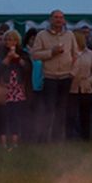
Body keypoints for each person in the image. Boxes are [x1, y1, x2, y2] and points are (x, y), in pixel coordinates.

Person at [30, 10, 78, 143]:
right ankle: (43, 137)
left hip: (65, 77)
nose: (58, 20)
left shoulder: (69, 35)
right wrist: (51, 52)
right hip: (50, 77)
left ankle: (57, 138)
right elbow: (35, 55)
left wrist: (72, 72)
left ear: (64, 20)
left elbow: (76, 54)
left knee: (62, 109)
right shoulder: (42, 35)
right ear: (50, 19)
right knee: (49, 109)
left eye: (61, 17)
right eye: (56, 17)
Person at [0, 30, 30, 147]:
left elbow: (28, 68)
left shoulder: (23, 53)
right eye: (6, 39)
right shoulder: (0, 53)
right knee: (2, 115)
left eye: (10, 39)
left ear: (16, 41)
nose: (7, 42)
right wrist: (8, 59)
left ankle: (15, 141)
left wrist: (17, 58)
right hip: (4, 87)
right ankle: (3, 142)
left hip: (18, 88)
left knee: (16, 115)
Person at [70, 28, 92, 140]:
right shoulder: (69, 53)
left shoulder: (90, 53)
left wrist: (91, 80)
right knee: (72, 114)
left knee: (85, 114)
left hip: (86, 87)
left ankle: (85, 137)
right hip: (73, 87)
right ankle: (72, 136)